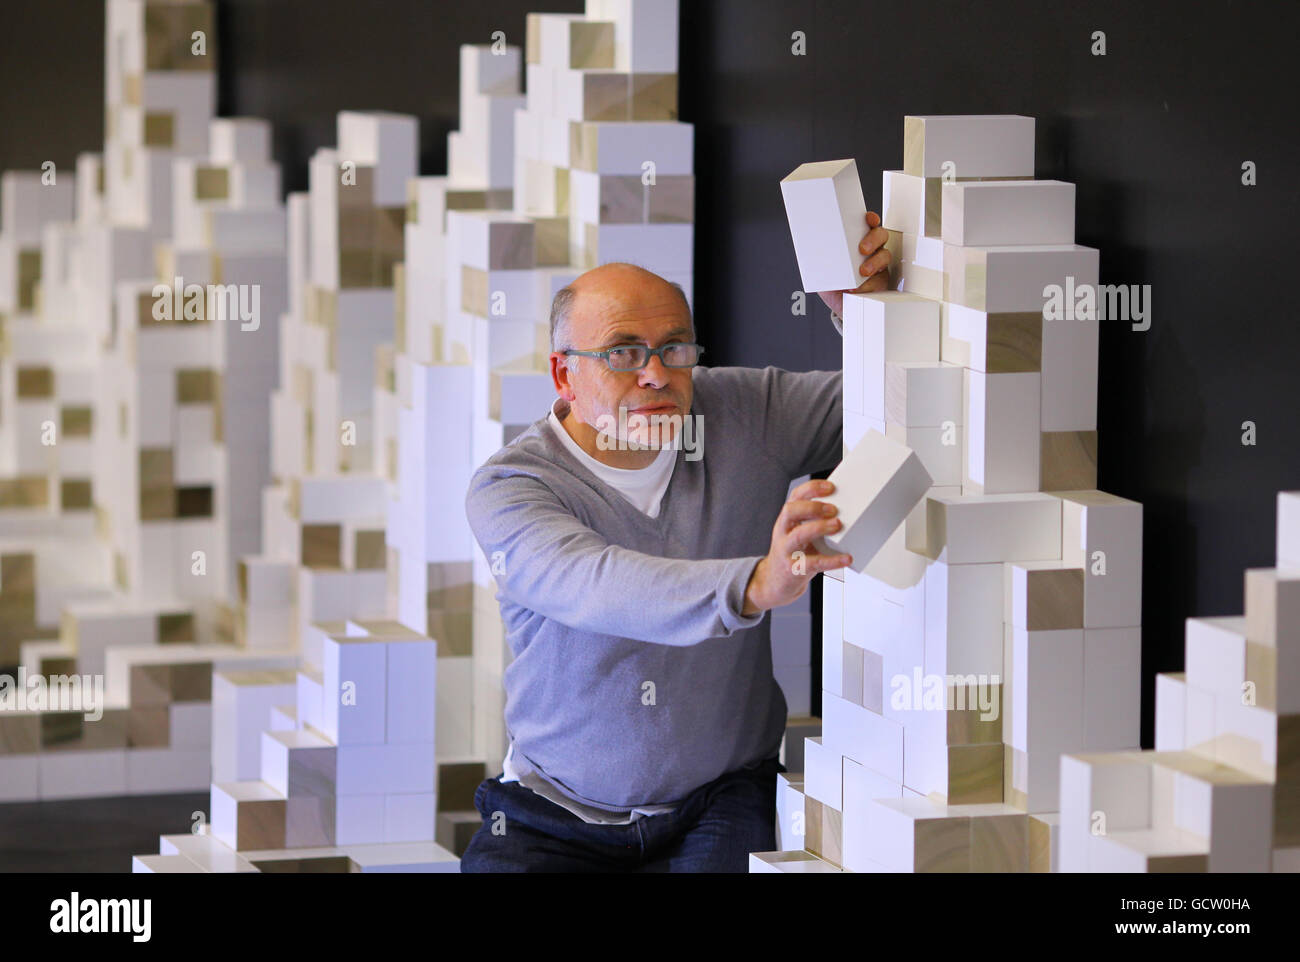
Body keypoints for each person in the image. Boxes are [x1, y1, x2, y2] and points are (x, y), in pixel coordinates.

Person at [460, 213, 893, 872]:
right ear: (562, 375)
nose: (657, 375)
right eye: (623, 353)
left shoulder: (744, 412)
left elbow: (889, 409)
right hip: (555, 813)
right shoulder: (511, 486)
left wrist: (868, 318)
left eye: (675, 347)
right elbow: (595, 584)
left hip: (717, 799)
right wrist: (753, 585)